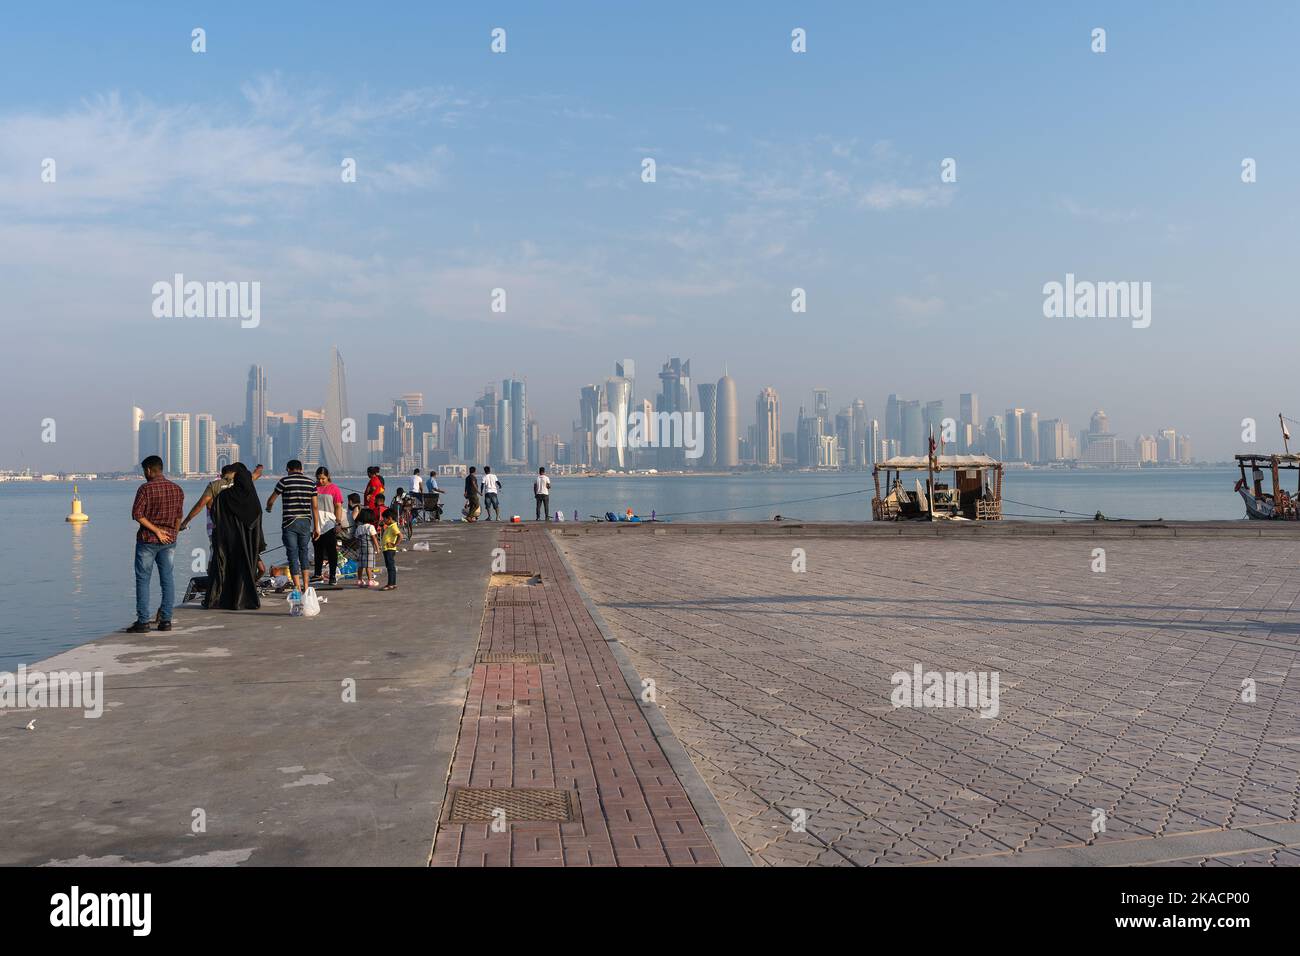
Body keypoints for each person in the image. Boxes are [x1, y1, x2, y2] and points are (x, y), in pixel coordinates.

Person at [127, 455, 184, 633]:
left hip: (147, 541)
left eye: (145, 471)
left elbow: (137, 514)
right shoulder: (177, 489)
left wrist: (157, 531)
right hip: (169, 541)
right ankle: (166, 621)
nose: (144, 474)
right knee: (167, 580)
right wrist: (173, 535)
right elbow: (178, 517)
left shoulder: (145, 489)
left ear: (149, 470)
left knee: (143, 580)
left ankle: (143, 621)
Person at [204, 462, 265, 610]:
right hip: (248, 546)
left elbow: (215, 515)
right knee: (245, 570)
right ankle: (244, 599)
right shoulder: (253, 501)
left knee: (226, 570)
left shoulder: (224, 496)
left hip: (228, 542)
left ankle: (223, 598)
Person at [265, 459, 317, 594]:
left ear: (288, 469)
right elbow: (315, 507)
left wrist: (268, 508)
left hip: (289, 522)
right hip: (306, 522)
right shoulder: (311, 483)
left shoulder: (284, 481)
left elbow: (271, 500)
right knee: (303, 552)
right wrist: (317, 527)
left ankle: (297, 587)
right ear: (301, 469)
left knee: (292, 554)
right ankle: (306, 585)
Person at [312, 466, 345, 586]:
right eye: (318, 478)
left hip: (330, 523)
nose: (320, 481)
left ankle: (332, 576)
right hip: (316, 524)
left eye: (323, 479)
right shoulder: (313, 487)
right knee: (318, 551)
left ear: (328, 477)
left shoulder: (334, 488)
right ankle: (317, 574)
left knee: (331, 551)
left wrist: (338, 522)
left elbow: (338, 506)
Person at [353, 508, 381, 589]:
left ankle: (359, 580)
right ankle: (370, 580)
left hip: (361, 548)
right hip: (369, 549)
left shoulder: (359, 527)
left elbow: (356, 539)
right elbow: (374, 538)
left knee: (361, 565)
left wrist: (357, 547)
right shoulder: (370, 527)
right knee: (368, 565)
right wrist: (377, 547)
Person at [381, 507, 402, 590]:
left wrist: (395, 544)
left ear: (389, 518)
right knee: (389, 566)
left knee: (390, 567)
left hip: (390, 550)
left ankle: (391, 584)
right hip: (386, 549)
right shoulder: (389, 526)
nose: (384, 521)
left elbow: (400, 536)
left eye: (384, 519)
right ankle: (392, 583)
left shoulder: (393, 526)